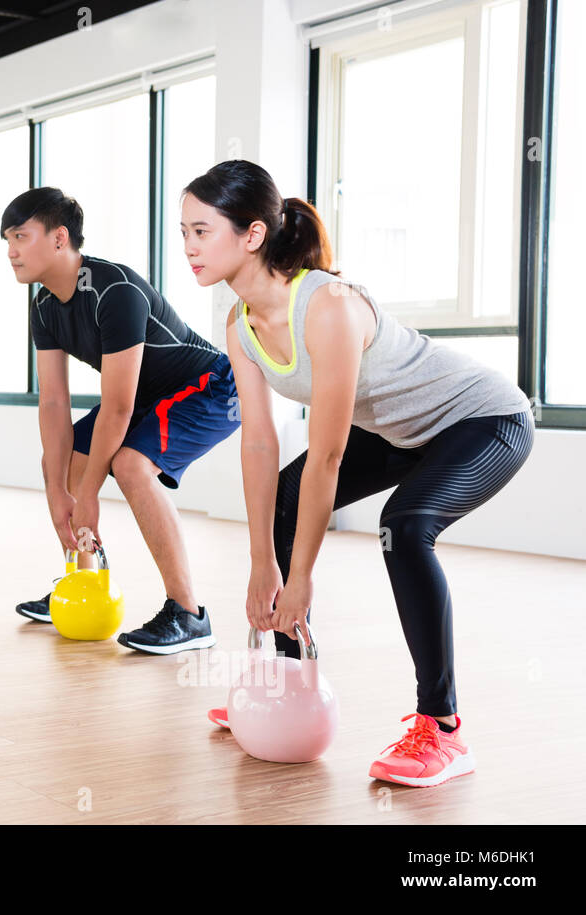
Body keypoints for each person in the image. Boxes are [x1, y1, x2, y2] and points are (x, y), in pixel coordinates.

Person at [186, 160, 533, 787]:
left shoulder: (327, 306)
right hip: (403, 433)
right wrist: (263, 561)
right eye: (184, 230)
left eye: (202, 231)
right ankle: (287, 684)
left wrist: (302, 577)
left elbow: (328, 455)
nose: (188, 246)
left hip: (484, 419)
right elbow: (260, 445)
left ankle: (443, 728)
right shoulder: (239, 324)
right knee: (287, 497)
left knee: (404, 524)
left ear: (253, 235)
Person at [2, 187, 240, 654]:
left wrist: (87, 494)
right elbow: (52, 402)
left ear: (58, 239)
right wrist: (58, 491)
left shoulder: (114, 289)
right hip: (144, 396)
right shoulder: (44, 306)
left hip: (209, 386)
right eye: (7, 239)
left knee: (131, 465)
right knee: (66, 460)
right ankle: (81, 585)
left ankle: (189, 614)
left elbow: (117, 406)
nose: (11, 252)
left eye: (20, 236)